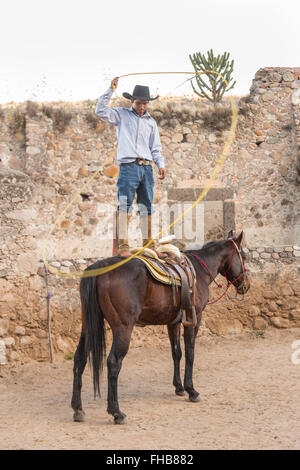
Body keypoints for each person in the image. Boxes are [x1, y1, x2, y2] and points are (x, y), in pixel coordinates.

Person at [95, 77, 166, 257]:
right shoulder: (121, 115)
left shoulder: (151, 123)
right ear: (131, 101)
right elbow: (100, 110)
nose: (142, 107)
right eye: (139, 103)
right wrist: (110, 90)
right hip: (128, 167)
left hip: (147, 168)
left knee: (146, 205)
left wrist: (161, 165)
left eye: (145, 104)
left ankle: (148, 245)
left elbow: (155, 148)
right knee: (125, 204)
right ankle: (124, 247)